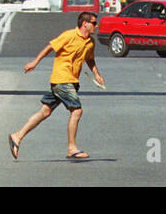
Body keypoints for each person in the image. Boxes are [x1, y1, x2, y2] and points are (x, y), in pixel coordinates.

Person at [8, 12, 104, 161]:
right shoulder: (69, 35)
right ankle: (72, 148)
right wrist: (34, 62)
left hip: (71, 81)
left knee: (45, 112)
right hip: (62, 79)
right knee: (77, 111)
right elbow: (50, 47)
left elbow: (90, 60)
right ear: (85, 23)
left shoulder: (90, 42)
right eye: (94, 23)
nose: (96, 26)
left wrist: (97, 75)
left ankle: (17, 136)